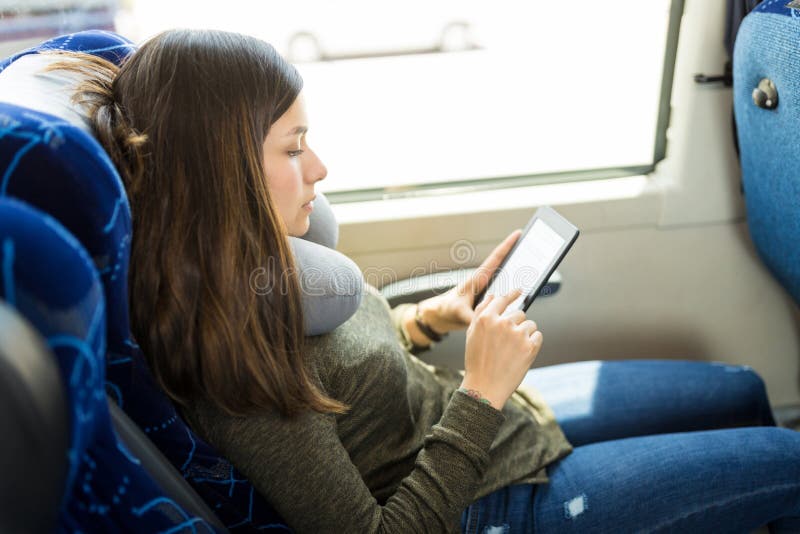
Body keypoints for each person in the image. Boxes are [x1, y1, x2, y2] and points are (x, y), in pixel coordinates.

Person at [56, 28, 800, 533]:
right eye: (295, 147)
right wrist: (480, 391)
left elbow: (343, 372)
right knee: (789, 463)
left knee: (738, 388)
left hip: (480, 423)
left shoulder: (259, 269)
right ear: (225, 171)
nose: (320, 170)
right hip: (494, 500)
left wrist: (430, 321)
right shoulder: (234, 376)